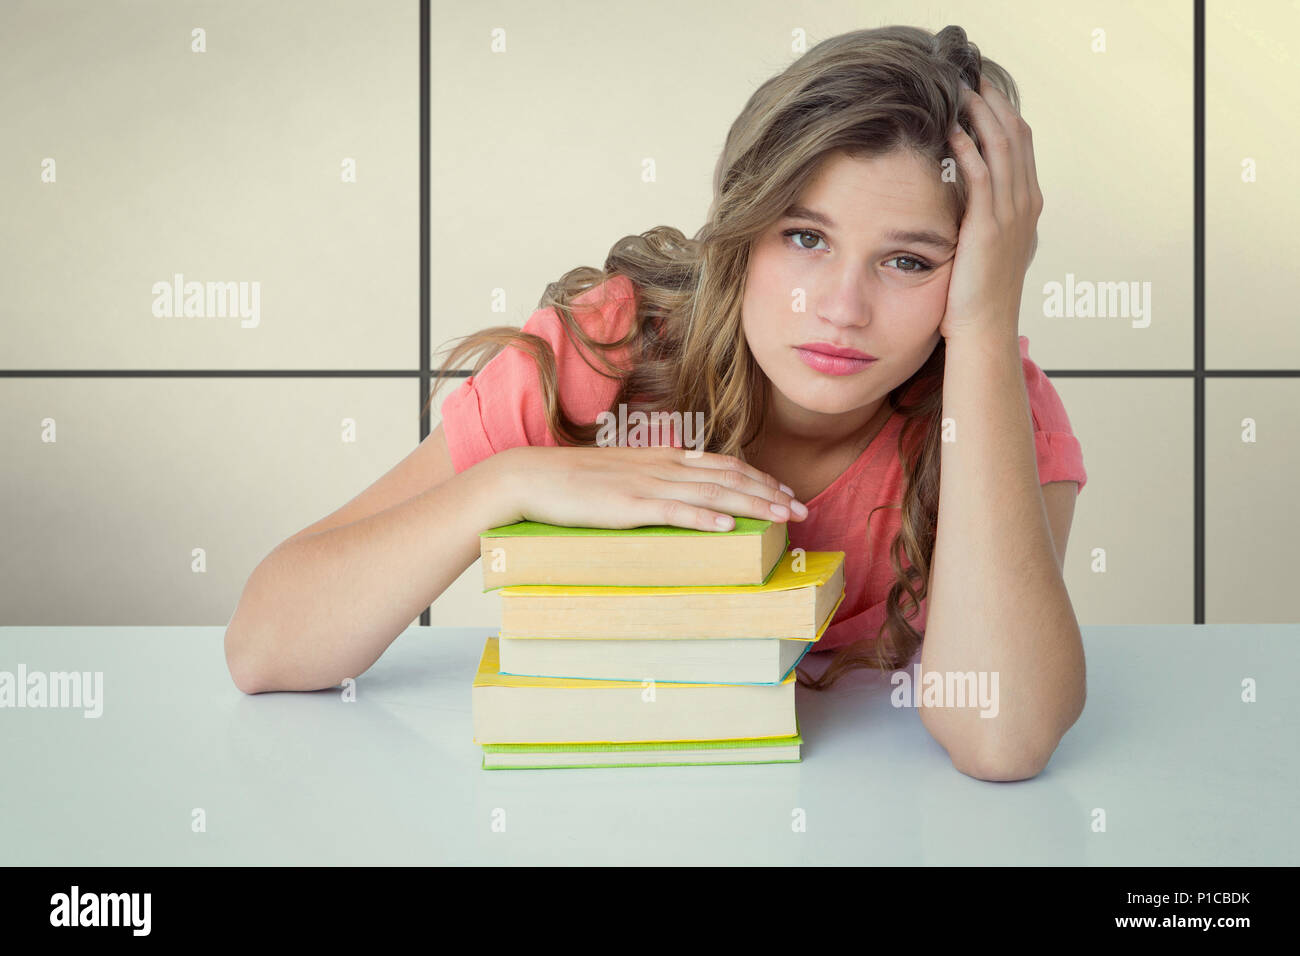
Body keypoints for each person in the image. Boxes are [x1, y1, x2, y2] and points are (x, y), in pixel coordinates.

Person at [225, 25, 1087, 780]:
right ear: (740, 231)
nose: (840, 308)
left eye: (909, 261)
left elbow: (1001, 737)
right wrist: (507, 483)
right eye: (804, 237)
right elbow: (265, 645)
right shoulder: (612, 348)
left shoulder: (998, 412)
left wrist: (983, 328)